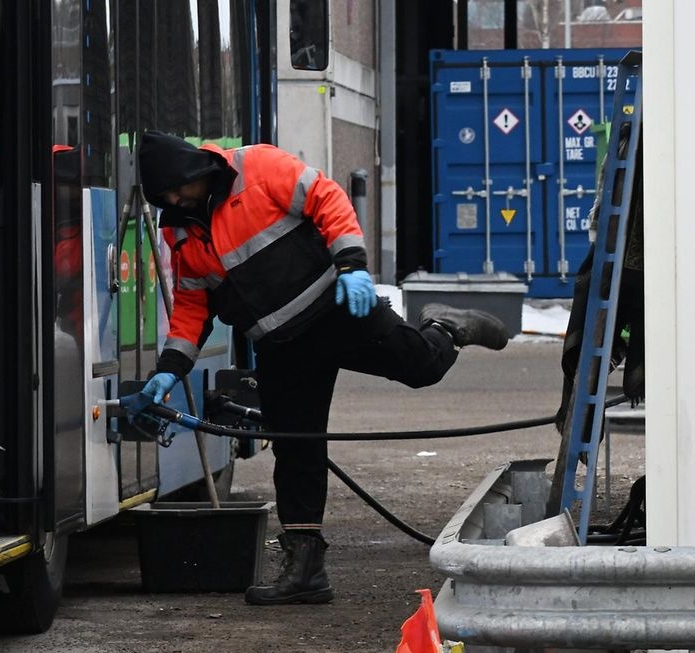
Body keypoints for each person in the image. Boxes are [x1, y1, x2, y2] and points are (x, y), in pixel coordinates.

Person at [132, 131, 509, 605]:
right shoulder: (181, 229)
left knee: (422, 367)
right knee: (296, 449)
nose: (172, 200)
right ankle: (305, 568)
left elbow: (326, 198)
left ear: (195, 171)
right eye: (163, 197)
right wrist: (171, 367)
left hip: (337, 310)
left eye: (175, 189)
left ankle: (446, 326)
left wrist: (352, 265)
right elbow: (192, 304)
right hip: (281, 345)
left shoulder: (258, 168)